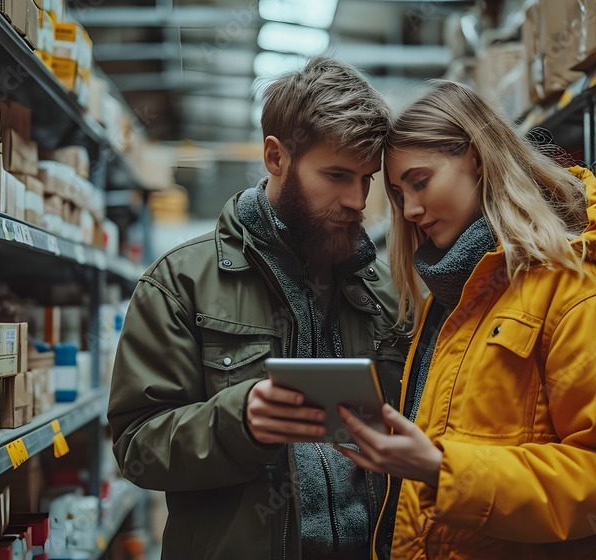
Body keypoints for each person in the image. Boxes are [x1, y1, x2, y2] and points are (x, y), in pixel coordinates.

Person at [336, 80, 596, 559]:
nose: (411, 210)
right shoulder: (448, 303)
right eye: (399, 194)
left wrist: (443, 469)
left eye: (421, 182)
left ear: (477, 157)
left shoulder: (580, 295)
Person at [107, 57, 411, 560]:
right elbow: (138, 449)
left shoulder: (381, 291)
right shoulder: (180, 283)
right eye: (336, 175)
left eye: (367, 179)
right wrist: (239, 422)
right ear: (276, 157)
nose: (357, 199)